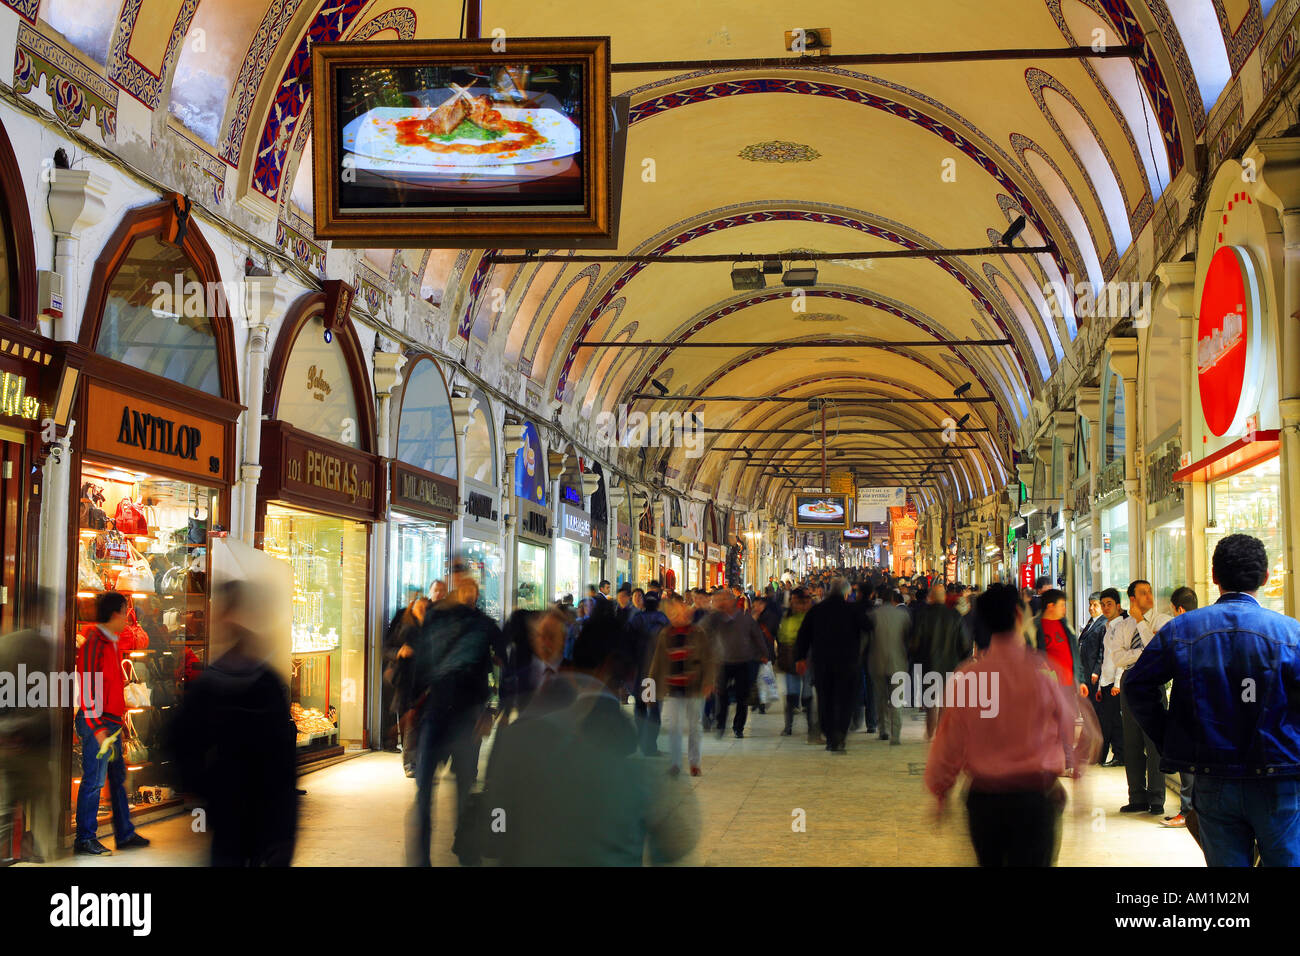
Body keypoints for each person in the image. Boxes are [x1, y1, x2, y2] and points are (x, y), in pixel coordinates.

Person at [1125, 535, 1300, 866]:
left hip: (1212, 775)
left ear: (1215, 576)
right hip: (1279, 777)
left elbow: (1136, 685)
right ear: (1264, 578)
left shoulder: (1183, 630)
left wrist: (1172, 738)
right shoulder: (1290, 634)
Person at [925, 583, 1099, 867]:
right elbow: (1085, 732)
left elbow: (949, 740)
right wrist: (1077, 774)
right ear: (1020, 617)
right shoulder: (1045, 673)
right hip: (1036, 799)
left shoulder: (968, 677)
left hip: (985, 801)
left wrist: (940, 790)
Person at [171, 580, 298, 866]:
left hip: (246, 815)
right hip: (239, 815)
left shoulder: (244, 684)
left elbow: (283, 766)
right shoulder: (251, 684)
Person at [407, 571, 503, 867]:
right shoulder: (436, 620)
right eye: (460, 587)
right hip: (435, 715)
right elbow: (421, 665)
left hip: (467, 719)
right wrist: (412, 707)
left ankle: (467, 852)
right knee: (424, 793)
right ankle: (422, 860)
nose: (465, 592)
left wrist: (492, 708)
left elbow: (502, 666)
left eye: (470, 588)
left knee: (464, 793)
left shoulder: (484, 626)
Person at [73, 591, 149, 855]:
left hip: (110, 721)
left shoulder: (111, 641)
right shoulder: (94, 643)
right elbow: (87, 686)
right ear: (116, 613)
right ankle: (84, 837)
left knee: (116, 779)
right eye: (126, 611)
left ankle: (124, 833)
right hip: (100, 723)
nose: (128, 617)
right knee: (94, 780)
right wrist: (97, 727)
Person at [1115, 580, 1169, 816]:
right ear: (1132, 599)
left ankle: (1157, 798)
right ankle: (1136, 796)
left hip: (1153, 682)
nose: (1149, 597)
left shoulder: (1162, 621)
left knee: (1154, 742)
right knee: (1132, 741)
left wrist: (1140, 623)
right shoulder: (1122, 626)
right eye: (1143, 593)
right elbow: (1118, 658)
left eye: (1150, 592)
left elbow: (1157, 650)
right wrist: (1142, 653)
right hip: (1130, 682)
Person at [648, 593, 718, 776]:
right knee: (673, 727)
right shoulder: (665, 634)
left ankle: (695, 762)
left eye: (680, 612)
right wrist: (649, 689)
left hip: (694, 688)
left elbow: (708, 660)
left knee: (695, 726)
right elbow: (657, 662)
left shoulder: (698, 633)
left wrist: (708, 682)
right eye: (673, 613)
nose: (678, 616)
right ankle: (675, 763)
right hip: (672, 688)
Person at [794, 578, 865, 753]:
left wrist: (800, 658)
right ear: (846, 593)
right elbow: (869, 627)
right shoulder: (852, 611)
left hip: (823, 663)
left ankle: (830, 735)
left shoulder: (817, 610)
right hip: (847, 663)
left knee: (825, 699)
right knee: (845, 700)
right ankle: (840, 733)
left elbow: (803, 635)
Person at [1158, 586, 1200, 829]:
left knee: (1187, 763)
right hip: (1207, 708)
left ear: (1179, 609)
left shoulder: (1179, 632)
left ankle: (1187, 812)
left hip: (1186, 706)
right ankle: (1194, 811)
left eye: (1172, 610)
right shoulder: (1209, 628)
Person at [909, 582, 971, 739]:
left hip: (928, 664)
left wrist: (915, 658)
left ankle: (930, 733)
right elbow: (965, 643)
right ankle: (942, 733)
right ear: (944, 598)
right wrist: (964, 660)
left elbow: (914, 642)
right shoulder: (955, 616)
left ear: (930, 597)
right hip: (951, 664)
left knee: (930, 702)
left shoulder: (923, 615)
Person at [706, 589, 769, 739]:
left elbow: (757, 636)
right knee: (721, 695)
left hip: (742, 661)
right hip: (722, 662)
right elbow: (703, 629)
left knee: (742, 697)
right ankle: (721, 723)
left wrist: (764, 653)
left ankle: (738, 727)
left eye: (724, 599)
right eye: (719, 600)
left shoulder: (745, 618)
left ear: (732, 600)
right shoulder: (716, 618)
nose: (722, 603)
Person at [629, 593, 669, 755]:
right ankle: (650, 746)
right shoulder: (664, 621)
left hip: (639, 672)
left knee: (640, 708)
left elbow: (628, 645)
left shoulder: (636, 620)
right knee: (654, 709)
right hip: (655, 673)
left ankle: (642, 741)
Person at [869, 590, 909, 745]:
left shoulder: (873, 615)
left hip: (877, 661)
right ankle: (896, 735)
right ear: (893, 599)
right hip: (898, 661)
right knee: (897, 700)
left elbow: (867, 639)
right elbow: (908, 638)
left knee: (880, 698)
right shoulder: (903, 615)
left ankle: (883, 730)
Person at [775, 588, 816, 739]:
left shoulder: (811, 616)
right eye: (795, 602)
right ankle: (788, 726)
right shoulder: (787, 616)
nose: (798, 605)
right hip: (790, 657)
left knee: (807, 693)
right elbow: (782, 636)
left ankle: (811, 726)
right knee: (792, 693)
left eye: (801, 602)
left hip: (807, 657)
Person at [1034, 589, 1088, 697]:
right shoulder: (1034, 627)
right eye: (1062, 605)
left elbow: (1075, 655)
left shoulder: (1065, 625)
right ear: (1051, 606)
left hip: (1069, 687)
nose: (1064, 609)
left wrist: (1080, 681)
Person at [1095, 588, 1128, 768]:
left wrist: (1117, 683)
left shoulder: (1121, 626)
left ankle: (1120, 755)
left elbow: (1120, 658)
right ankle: (1110, 754)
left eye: (1109, 604)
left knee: (1115, 722)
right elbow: (1107, 659)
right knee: (1108, 720)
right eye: (1103, 604)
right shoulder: (1107, 627)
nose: (1105, 608)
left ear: (1118, 605)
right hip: (1106, 682)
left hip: (1116, 683)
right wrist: (1101, 686)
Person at [1076, 592, 1107, 762]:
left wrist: (1096, 670)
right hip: (1086, 672)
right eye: (1090, 604)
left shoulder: (1103, 624)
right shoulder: (1091, 622)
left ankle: (1090, 749)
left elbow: (1102, 651)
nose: (1091, 608)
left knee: (1091, 711)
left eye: (1095, 605)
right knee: (1087, 710)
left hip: (1094, 675)